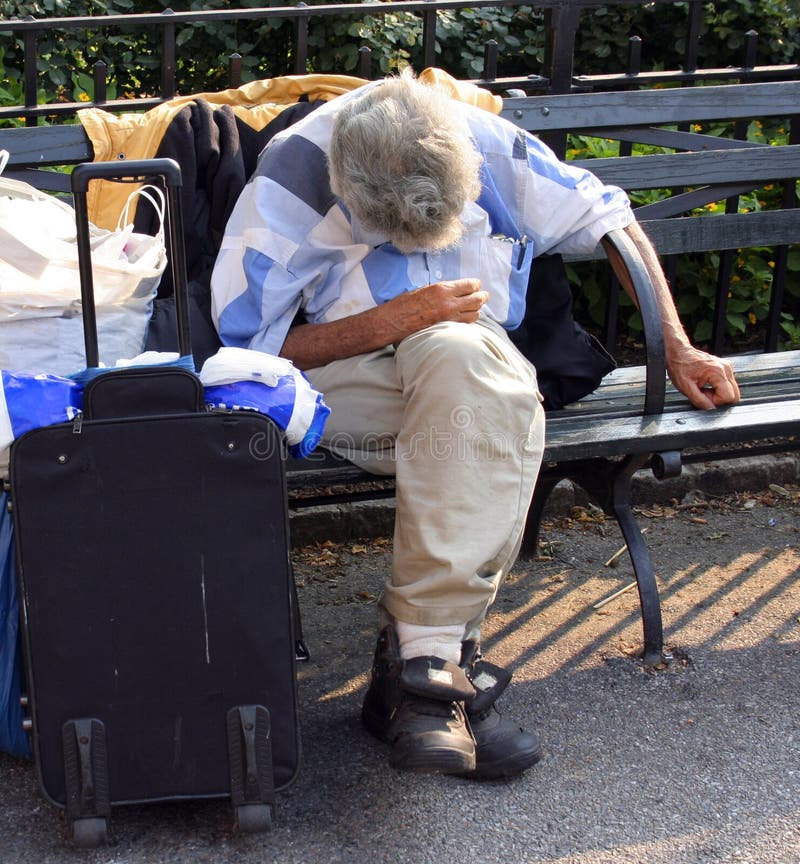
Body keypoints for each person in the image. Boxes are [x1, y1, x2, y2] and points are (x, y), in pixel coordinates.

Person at [211, 70, 740, 780]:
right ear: (347, 184)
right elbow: (247, 350)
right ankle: (436, 663)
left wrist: (675, 344)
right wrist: (395, 319)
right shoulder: (296, 174)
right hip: (348, 380)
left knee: (465, 362)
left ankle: (422, 680)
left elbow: (607, 215)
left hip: (468, 377)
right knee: (491, 411)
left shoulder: (490, 141)